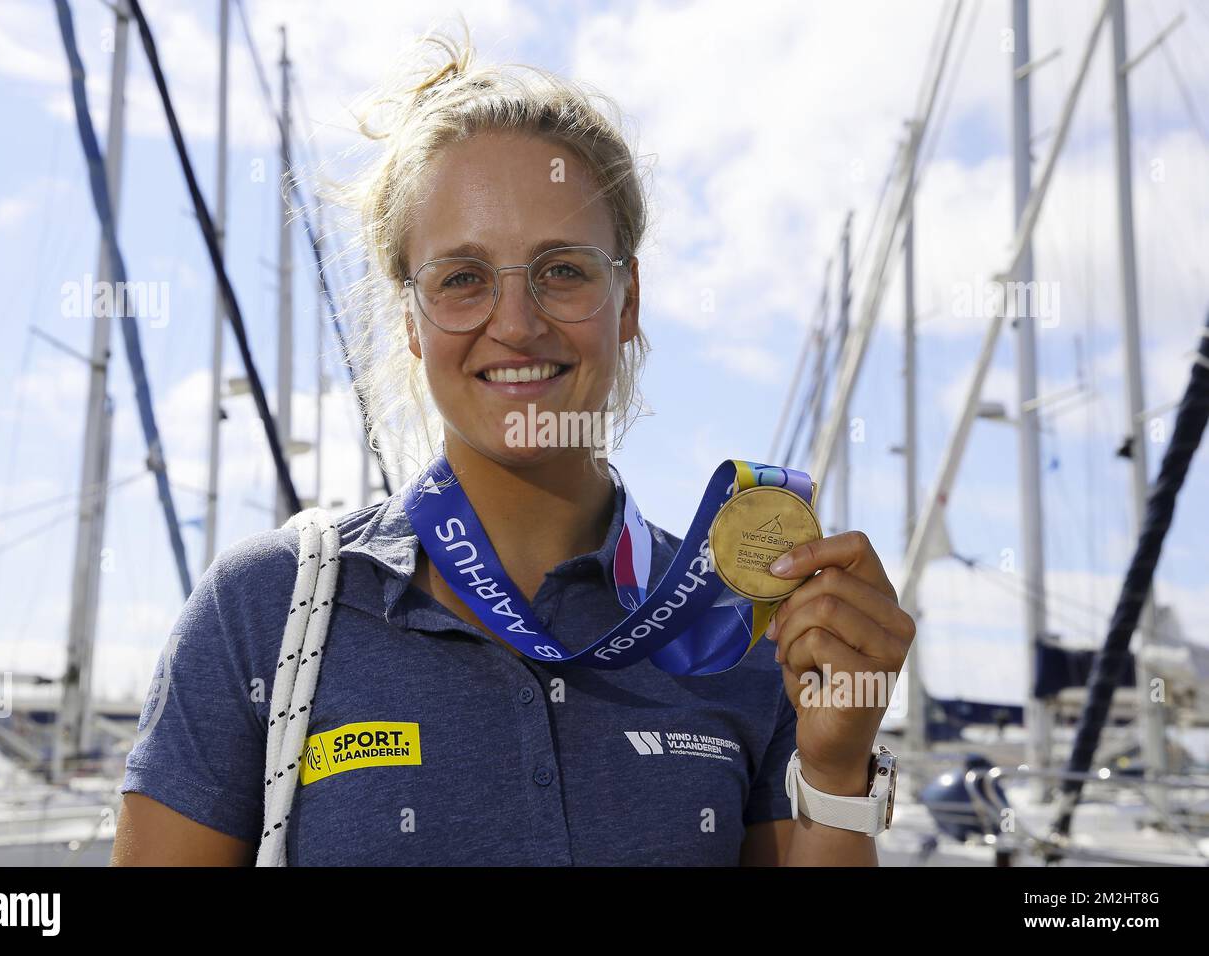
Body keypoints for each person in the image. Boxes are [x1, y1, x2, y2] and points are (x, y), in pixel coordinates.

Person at [111, 21, 914, 867]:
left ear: (628, 297)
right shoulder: (265, 612)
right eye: (461, 279)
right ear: (411, 321)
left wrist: (834, 768)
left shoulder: (736, 632)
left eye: (562, 269)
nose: (518, 324)